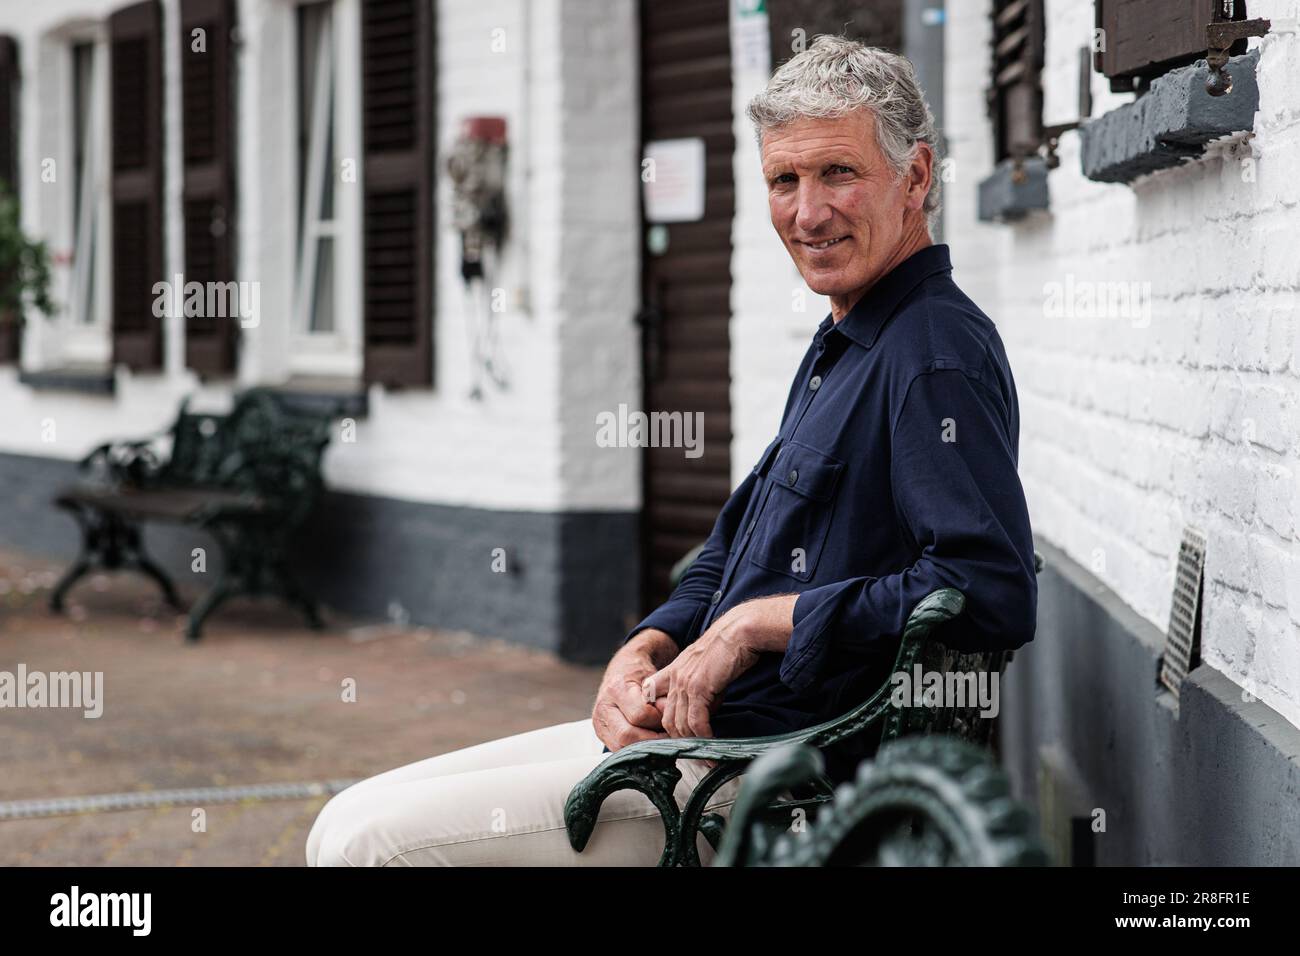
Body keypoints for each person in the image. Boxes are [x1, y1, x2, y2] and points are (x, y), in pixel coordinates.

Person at [307, 35, 1036, 867]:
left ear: (916, 178)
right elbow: (733, 545)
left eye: (839, 172)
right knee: (347, 815)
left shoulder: (930, 354)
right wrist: (645, 645)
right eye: (783, 181)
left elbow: (987, 590)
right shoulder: (850, 336)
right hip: (701, 739)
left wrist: (757, 625)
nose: (807, 213)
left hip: (772, 783)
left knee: (373, 846)